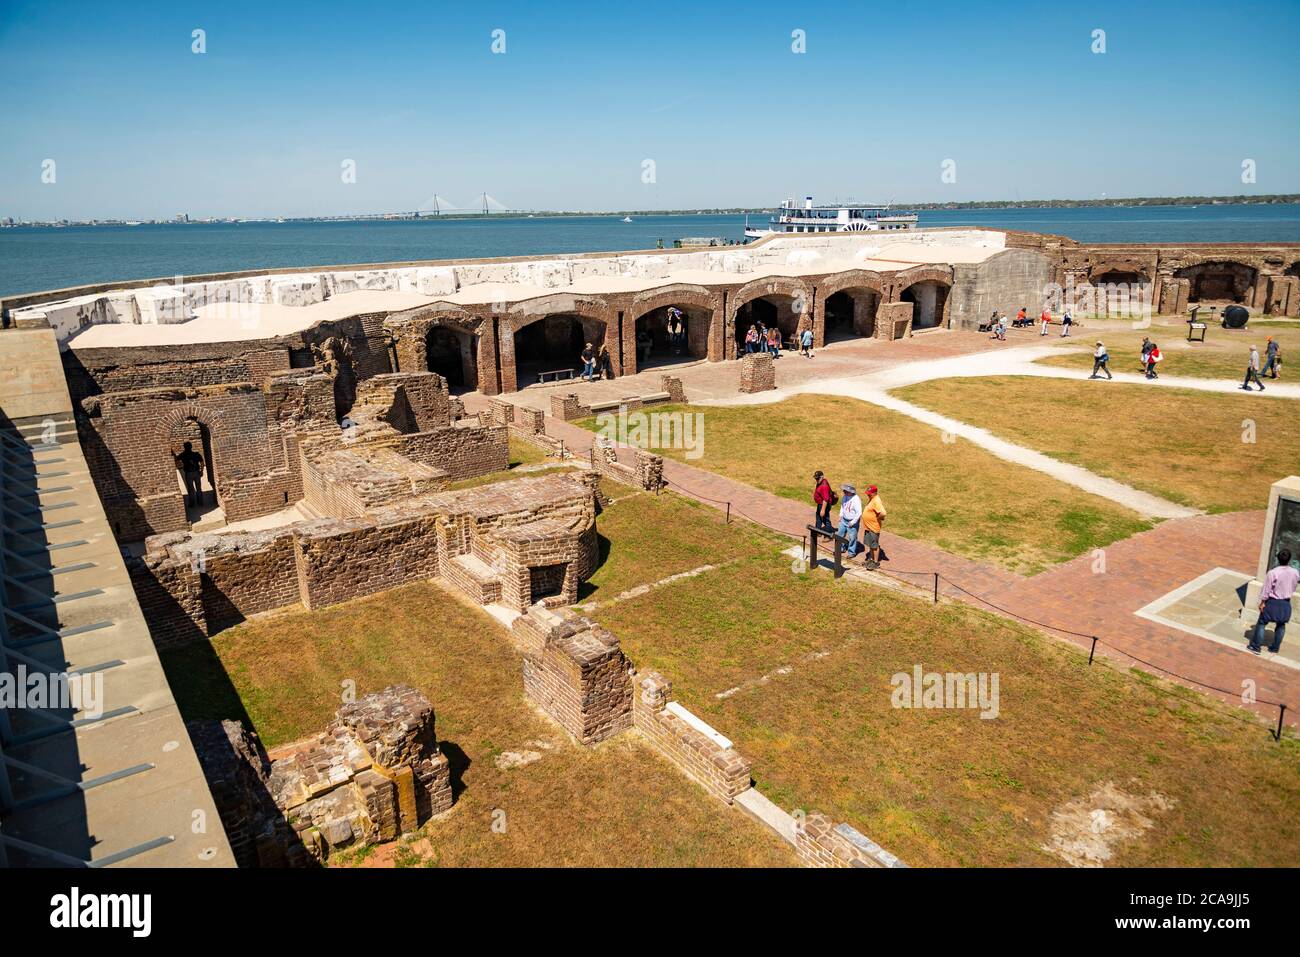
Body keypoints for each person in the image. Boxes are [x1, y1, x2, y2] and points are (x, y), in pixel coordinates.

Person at [1248, 549, 1298, 654]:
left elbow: (1266, 589)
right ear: (1289, 560)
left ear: (1278, 559)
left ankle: (1256, 646)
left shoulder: (1273, 573)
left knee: (1261, 623)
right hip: (1285, 603)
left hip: (1272, 602)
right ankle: (1274, 648)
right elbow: (1294, 586)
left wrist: (1262, 602)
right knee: (1281, 625)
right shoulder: (1295, 572)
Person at [860, 484, 887, 569]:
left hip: (873, 527)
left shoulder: (876, 501)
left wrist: (877, 518)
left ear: (874, 493)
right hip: (868, 527)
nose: (868, 494)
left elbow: (883, 513)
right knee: (870, 545)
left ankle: (875, 562)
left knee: (874, 546)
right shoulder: (872, 499)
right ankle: (871, 560)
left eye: (869, 493)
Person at [837, 484, 862, 558]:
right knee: (840, 534)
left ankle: (851, 552)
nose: (844, 492)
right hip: (844, 520)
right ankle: (841, 548)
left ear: (851, 491)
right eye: (844, 490)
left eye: (845, 491)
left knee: (852, 537)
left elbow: (859, 512)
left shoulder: (856, 499)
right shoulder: (845, 497)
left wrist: (853, 522)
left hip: (852, 521)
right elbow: (843, 506)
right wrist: (841, 515)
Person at [176, 441, 205, 507]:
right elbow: (202, 462)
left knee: (191, 489)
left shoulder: (183, 455)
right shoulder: (196, 454)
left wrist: (180, 466)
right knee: (199, 488)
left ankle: (192, 504)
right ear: (191, 446)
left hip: (188, 473)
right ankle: (200, 502)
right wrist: (201, 470)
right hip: (196, 472)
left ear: (184, 447)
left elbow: (176, 459)